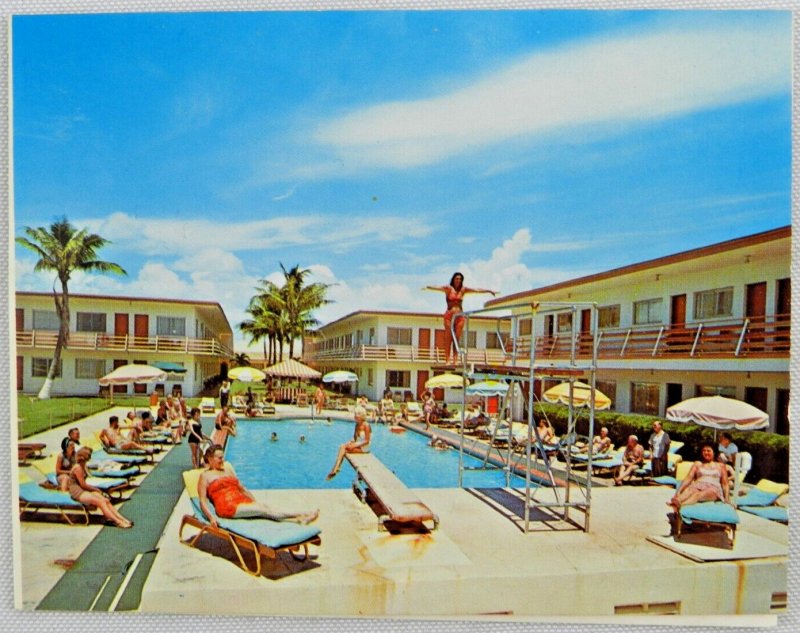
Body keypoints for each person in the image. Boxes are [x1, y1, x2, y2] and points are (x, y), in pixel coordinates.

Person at [198, 445, 318, 525]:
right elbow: (202, 501)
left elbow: (242, 488)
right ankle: (304, 513)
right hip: (227, 506)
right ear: (210, 458)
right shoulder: (205, 476)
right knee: (264, 509)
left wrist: (254, 501)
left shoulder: (227, 470)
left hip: (240, 500)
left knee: (263, 508)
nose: (222, 460)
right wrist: (211, 517)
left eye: (223, 457)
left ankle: (298, 521)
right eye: (219, 457)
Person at [423, 272, 497, 364]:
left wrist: (489, 291)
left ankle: (455, 360)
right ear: (453, 279)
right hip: (449, 314)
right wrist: (427, 286)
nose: (458, 281)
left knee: (456, 338)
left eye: (460, 279)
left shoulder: (463, 290)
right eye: (456, 279)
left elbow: (476, 290)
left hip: (459, 315)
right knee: (448, 337)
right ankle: (447, 360)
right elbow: (438, 287)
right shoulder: (448, 289)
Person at [68, 447, 133, 529]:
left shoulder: (83, 465)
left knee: (106, 500)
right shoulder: (78, 468)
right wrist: (96, 489)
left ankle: (122, 519)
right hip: (77, 492)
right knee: (101, 502)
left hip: (83, 490)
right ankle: (118, 522)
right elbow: (83, 485)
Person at [669, 444, 730, 510]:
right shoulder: (697, 464)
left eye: (708, 451)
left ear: (714, 452)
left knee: (697, 495)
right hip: (698, 485)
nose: (706, 453)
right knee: (689, 490)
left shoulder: (720, 466)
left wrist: (727, 498)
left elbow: (725, 483)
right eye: (704, 451)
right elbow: (688, 478)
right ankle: (676, 501)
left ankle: (680, 506)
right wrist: (679, 491)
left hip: (713, 488)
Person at [326, 412, 371, 480]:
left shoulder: (366, 425)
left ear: (362, 416)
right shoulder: (357, 425)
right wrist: (349, 443)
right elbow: (355, 438)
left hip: (364, 447)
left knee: (344, 449)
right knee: (342, 446)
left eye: (357, 414)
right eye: (355, 414)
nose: (355, 416)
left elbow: (367, 441)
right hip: (357, 445)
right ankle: (336, 469)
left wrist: (354, 446)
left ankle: (335, 469)